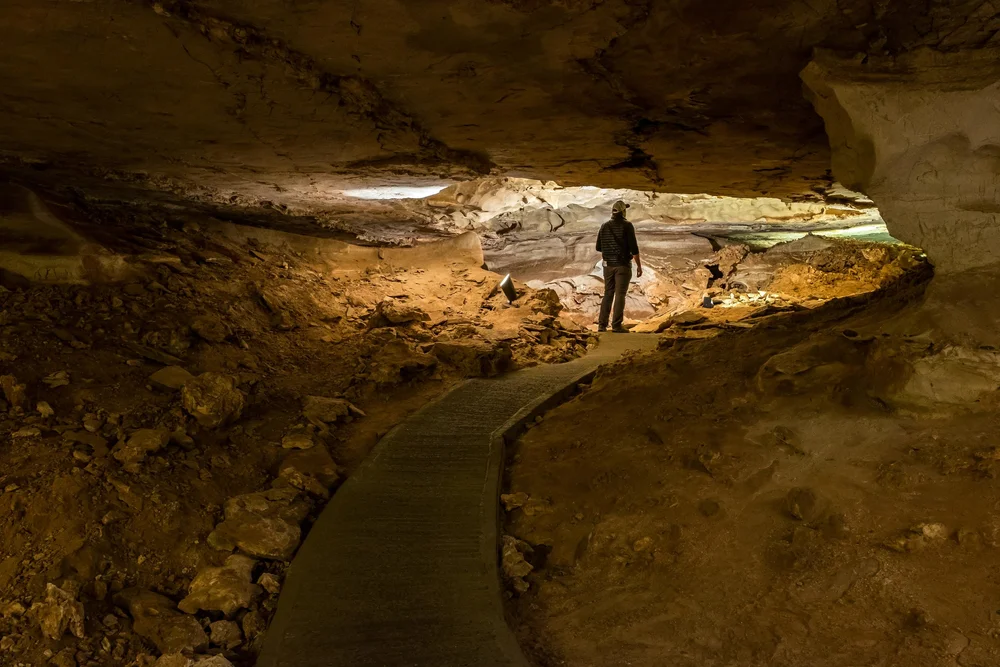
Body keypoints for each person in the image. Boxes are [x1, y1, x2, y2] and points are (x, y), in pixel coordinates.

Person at [596, 200, 642, 333]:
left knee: (608, 293)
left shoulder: (604, 226)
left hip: (608, 266)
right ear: (623, 212)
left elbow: (598, 247)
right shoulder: (627, 225)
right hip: (622, 265)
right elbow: (634, 248)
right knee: (620, 294)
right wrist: (638, 266)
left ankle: (602, 325)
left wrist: (609, 249)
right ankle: (616, 325)